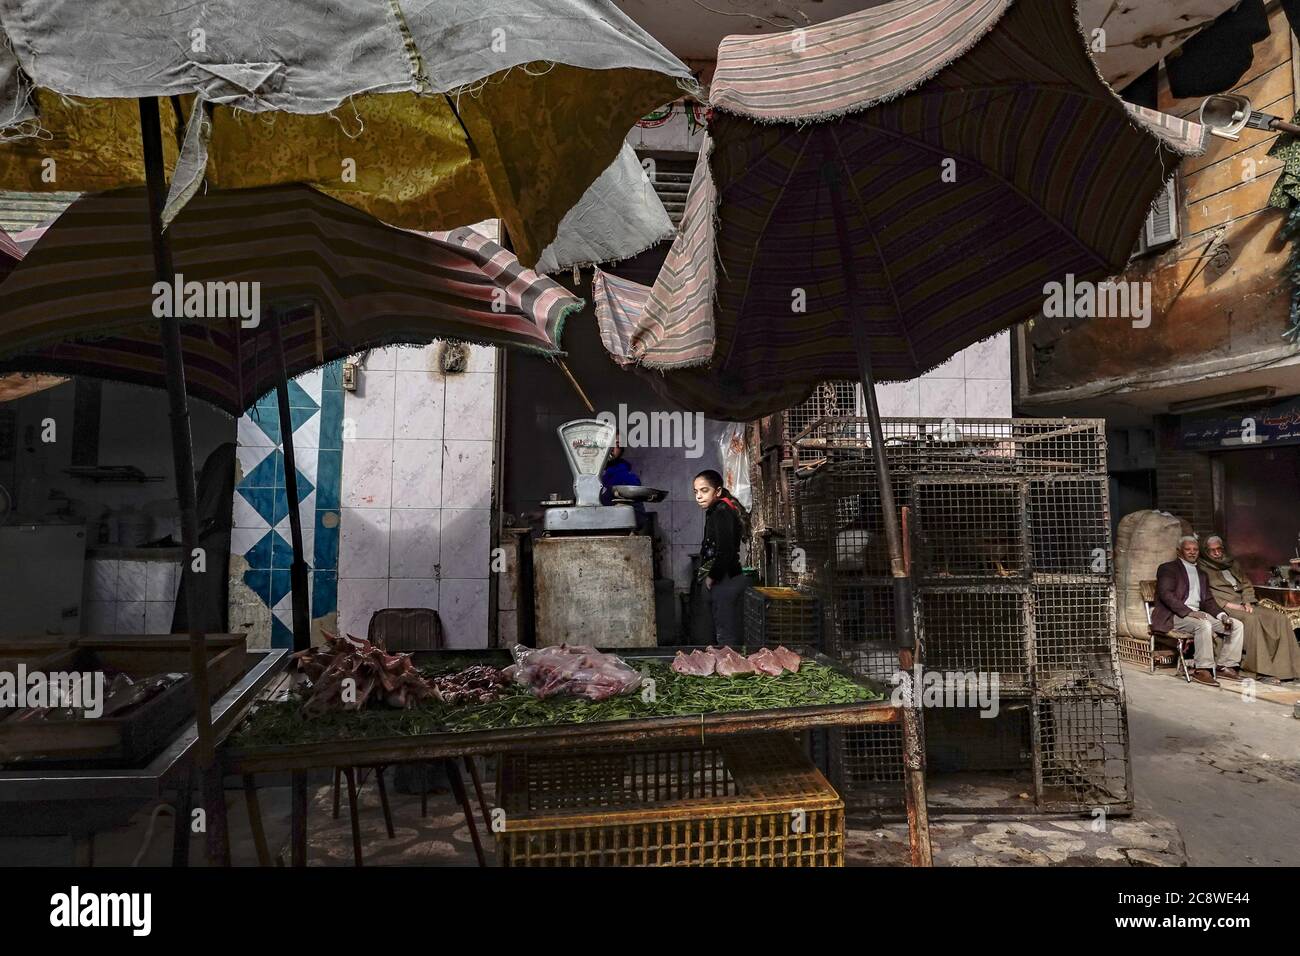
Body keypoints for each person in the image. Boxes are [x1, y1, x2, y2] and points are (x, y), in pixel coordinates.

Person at [1199, 535, 1300, 680]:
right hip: (1224, 606)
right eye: (1212, 550)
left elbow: (1246, 584)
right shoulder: (1202, 568)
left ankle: (1287, 669)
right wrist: (1229, 605)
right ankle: (1259, 669)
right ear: (1206, 552)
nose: (1216, 553)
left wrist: (1247, 601)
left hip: (1244, 603)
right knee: (1251, 620)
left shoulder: (1232, 564)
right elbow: (1206, 593)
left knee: (1280, 618)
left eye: (1219, 549)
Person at [1152, 535, 1244, 687]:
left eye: (1195, 549)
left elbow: (1208, 600)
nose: (1192, 552)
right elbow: (1166, 594)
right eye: (1188, 549)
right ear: (1179, 551)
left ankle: (1225, 666)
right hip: (1174, 615)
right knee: (1204, 625)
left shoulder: (1202, 574)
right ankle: (1202, 669)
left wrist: (1222, 616)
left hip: (1197, 614)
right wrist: (1188, 611)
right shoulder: (1168, 568)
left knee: (1235, 625)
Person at [693, 469, 748, 646]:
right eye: (696, 492)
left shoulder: (721, 510)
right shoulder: (718, 508)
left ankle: (729, 670)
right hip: (724, 578)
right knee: (721, 630)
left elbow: (726, 549)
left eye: (704, 490)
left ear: (717, 491)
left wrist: (712, 576)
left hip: (725, 579)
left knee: (725, 635)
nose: (699, 497)